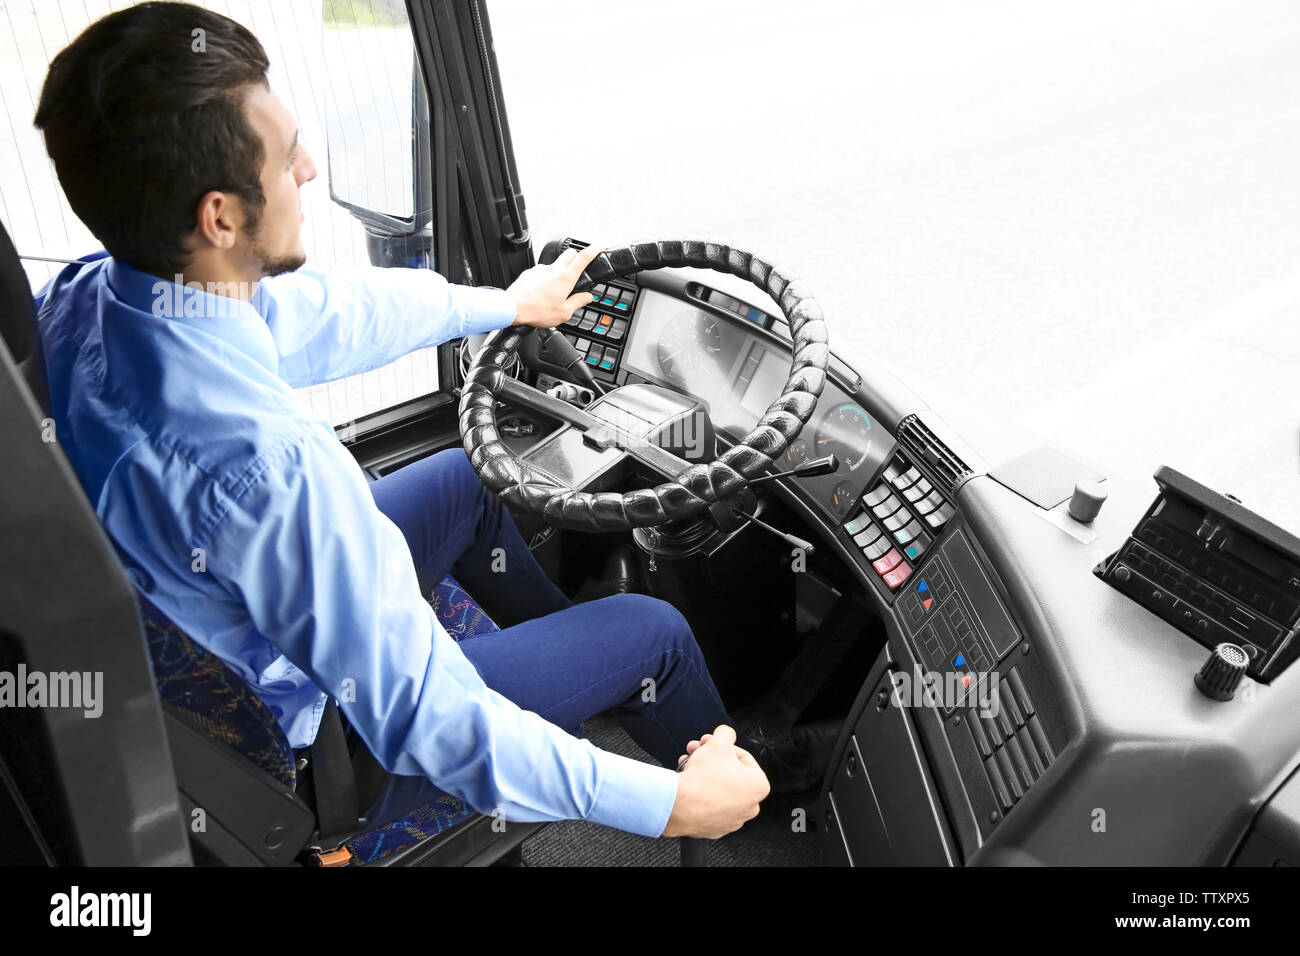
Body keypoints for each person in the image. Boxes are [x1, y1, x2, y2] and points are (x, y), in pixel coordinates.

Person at [30, 1, 783, 844]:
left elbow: (320, 314)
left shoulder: (86, 301)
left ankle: (560, 675)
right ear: (220, 217)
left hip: (203, 625)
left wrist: (504, 304)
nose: (311, 169)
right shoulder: (266, 472)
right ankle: (738, 796)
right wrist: (668, 806)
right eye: (287, 158)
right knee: (656, 630)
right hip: (321, 747)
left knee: (472, 483)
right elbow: (426, 724)